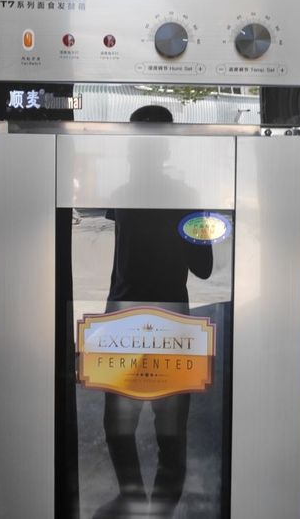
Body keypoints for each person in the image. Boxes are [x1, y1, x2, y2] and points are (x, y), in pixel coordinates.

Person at [93, 105, 213, 519]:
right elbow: (203, 267)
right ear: (167, 147)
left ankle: (132, 500)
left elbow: (120, 265)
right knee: (171, 433)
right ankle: (157, 511)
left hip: (123, 320)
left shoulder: (122, 194)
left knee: (118, 427)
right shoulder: (186, 197)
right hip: (171, 323)